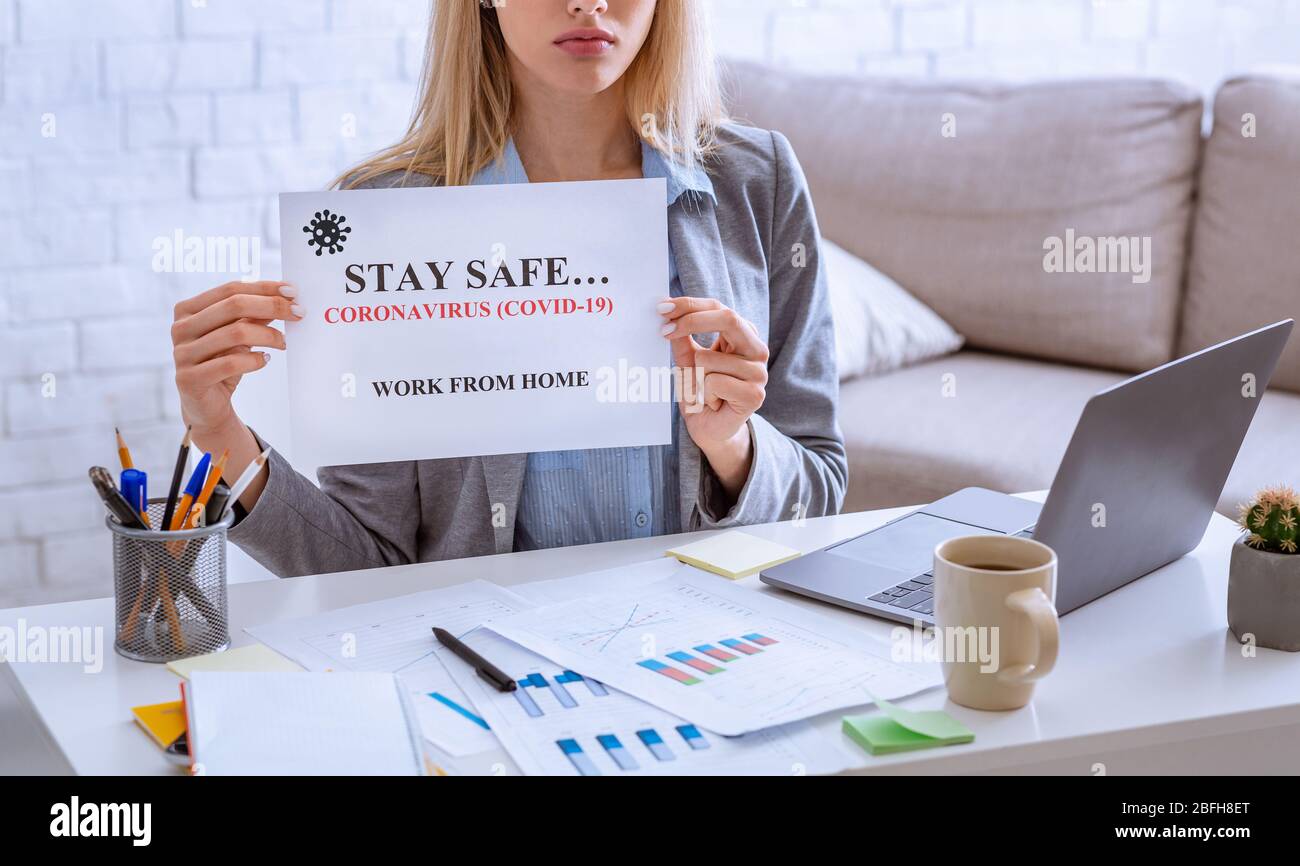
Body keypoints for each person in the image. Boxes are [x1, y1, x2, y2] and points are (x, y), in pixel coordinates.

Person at [168, 0, 845, 577]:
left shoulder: (758, 182)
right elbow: (365, 568)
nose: (586, 1)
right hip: (490, 675)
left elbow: (820, 496)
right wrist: (221, 437)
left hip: (712, 653)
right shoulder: (384, 220)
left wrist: (733, 446)